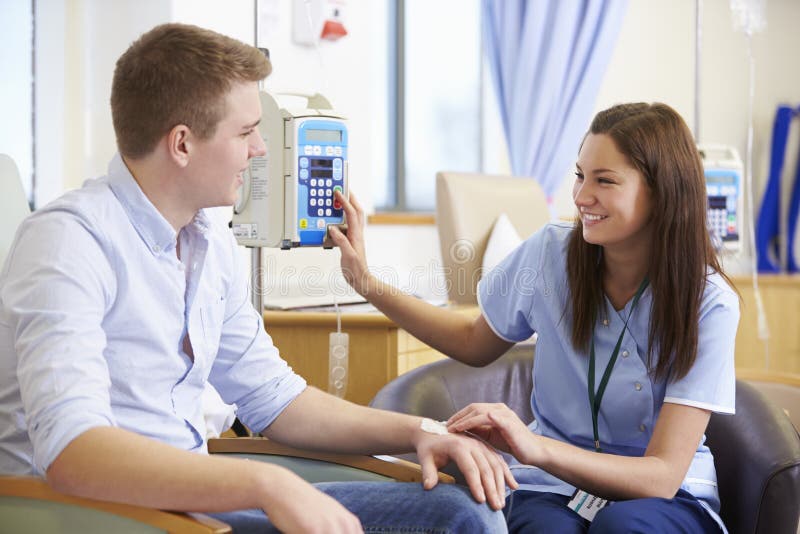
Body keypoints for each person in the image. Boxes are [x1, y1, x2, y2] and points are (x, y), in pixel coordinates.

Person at [0, 23, 515, 534]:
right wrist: (266, 483)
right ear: (182, 144)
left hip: (196, 509)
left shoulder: (208, 242)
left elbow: (278, 400)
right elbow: (73, 452)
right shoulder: (69, 242)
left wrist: (424, 430)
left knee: (462, 513)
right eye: (246, 132)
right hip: (103, 516)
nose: (261, 149)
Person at [331, 102, 739, 533]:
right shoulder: (550, 254)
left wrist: (535, 447)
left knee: (624, 526)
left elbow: (662, 476)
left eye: (604, 181)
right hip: (551, 487)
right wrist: (366, 282)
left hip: (665, 497)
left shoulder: (709, 302)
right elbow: (472, 340)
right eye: (580, 175)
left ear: (662, 192)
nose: (581, 197)